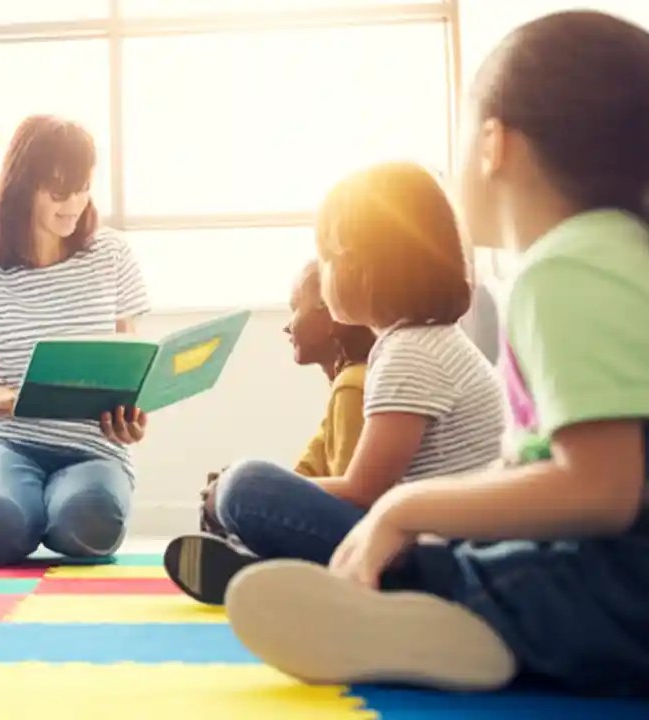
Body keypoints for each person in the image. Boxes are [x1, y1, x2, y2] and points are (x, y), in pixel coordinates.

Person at [225, 11, 649, 695]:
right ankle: (435, 604)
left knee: (461, 568)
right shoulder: (614, 255)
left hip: (620, 585)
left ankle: (440, 614)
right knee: (477, 556)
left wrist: (404, 510)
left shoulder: (568, 267)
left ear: (492, 145)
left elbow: (602, 491)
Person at [164, 161, 505, 606]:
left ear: (365, 268)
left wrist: (237, 488)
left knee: (245, 485)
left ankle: (285, 573)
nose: (321, 277)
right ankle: (266, 570)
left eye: (326, 259)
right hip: (436, 544)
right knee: (255, 484)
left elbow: (365, 490)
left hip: (430, 560)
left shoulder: (410, 353)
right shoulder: (428, 341)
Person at [0, 115, 151, 567]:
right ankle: (21, 509)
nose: (74, 203)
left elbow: (127, 362)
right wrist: (20, 399)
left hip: (94, 448)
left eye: (83, 188)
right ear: (24, 187)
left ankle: (52, 510)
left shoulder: (112, 254)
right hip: (10, 442)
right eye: (59, 191)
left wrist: (132, 415)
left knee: (90, 524)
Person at [189, 260, 375, 536]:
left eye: (295, 308)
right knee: (239, 481)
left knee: (244, 483)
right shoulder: (344, 385)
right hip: (353, 527)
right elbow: (307, 473)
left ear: (329, 314)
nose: (287, 327)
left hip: (360, 538)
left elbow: (354, 500)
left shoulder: (353, 386)